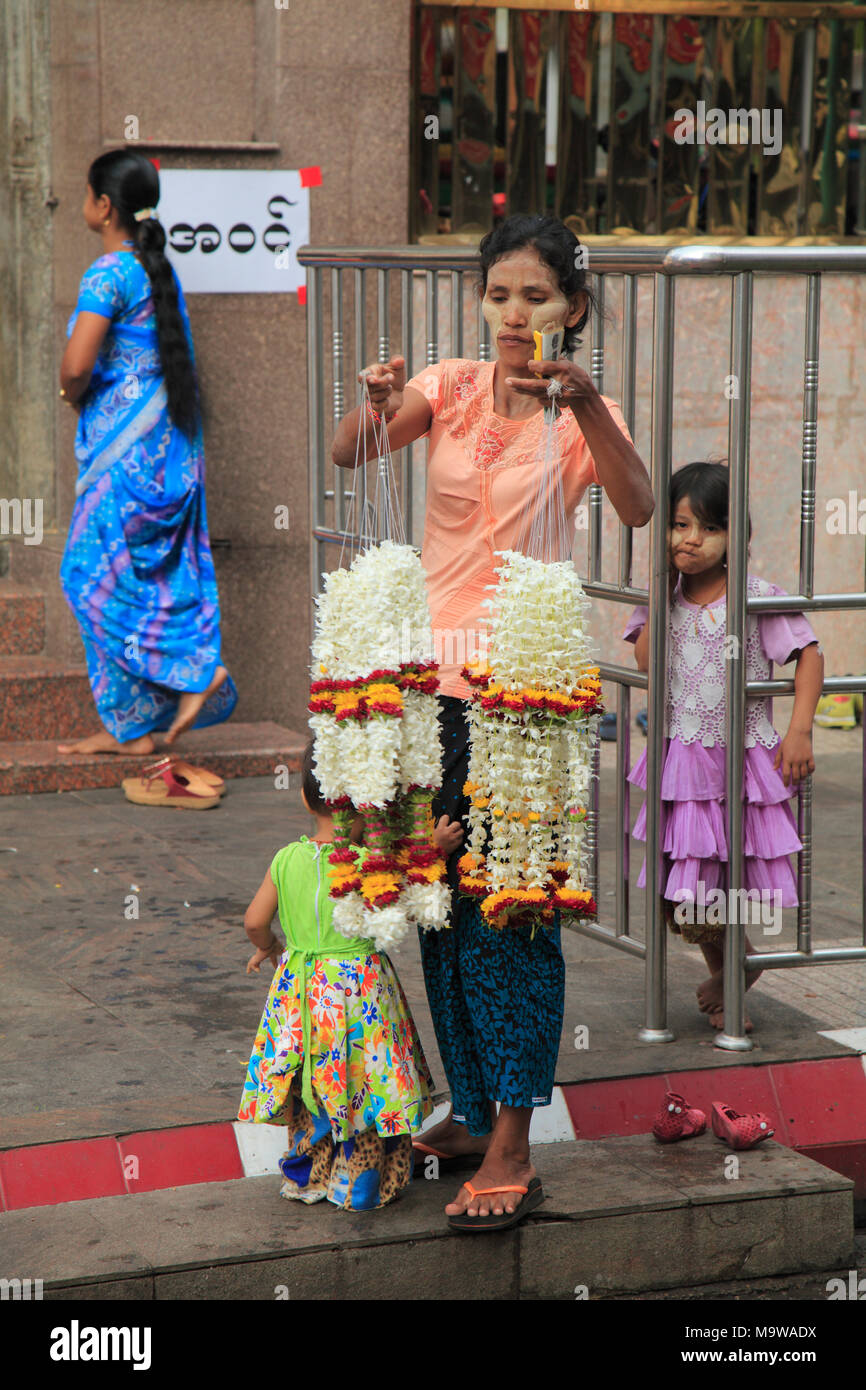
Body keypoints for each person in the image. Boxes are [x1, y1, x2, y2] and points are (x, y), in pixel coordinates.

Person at [332, 214, 654, 1230]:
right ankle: (471, 1110)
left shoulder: (574, 416)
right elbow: (354, 452)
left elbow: (639, 505)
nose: (513, 315)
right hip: (429, 690)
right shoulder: (454, 382)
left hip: (521, 700)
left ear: (573, 309)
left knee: (511, 912)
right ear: (479, 300)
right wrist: (373, 402)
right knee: (439, 905)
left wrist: (588, 402)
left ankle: (514, 1139)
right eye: (498, 294)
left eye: (535, 297)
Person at [624, 461, 824, 1031]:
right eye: (681, 525)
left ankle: (735, 975)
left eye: (710, 529)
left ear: (738, 537)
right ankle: (736, 966)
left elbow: (810, 653)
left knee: (728, 873)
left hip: (738, 762)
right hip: (681, 761)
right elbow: (644, 660)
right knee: (689, 876)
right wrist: (662, 588)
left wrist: (800, 728)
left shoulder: (755, 597)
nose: (692, 540)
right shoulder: (664, 595)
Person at [58, 149, 236, 756]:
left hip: (125, 461)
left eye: (86, 193)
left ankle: (194, 670)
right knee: (144, 580)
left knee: (86, 575)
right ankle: (131, 728)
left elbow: (78, 364)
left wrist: (68, 391)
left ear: (103, 205)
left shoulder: (109, 272)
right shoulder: (156, 268)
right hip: (171, 455)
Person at [238, 741, 434, 1211]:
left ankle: (307, 1176)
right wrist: (432, 849)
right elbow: (402, 909)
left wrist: (269, 947)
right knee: (363, 1080)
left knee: (311, 1081)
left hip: (303, 991)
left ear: (306, 798)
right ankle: (358, 1183)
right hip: (359, 992)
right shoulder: (370, 864)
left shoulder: (286, 860)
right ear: (369, 805)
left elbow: (253, 920)